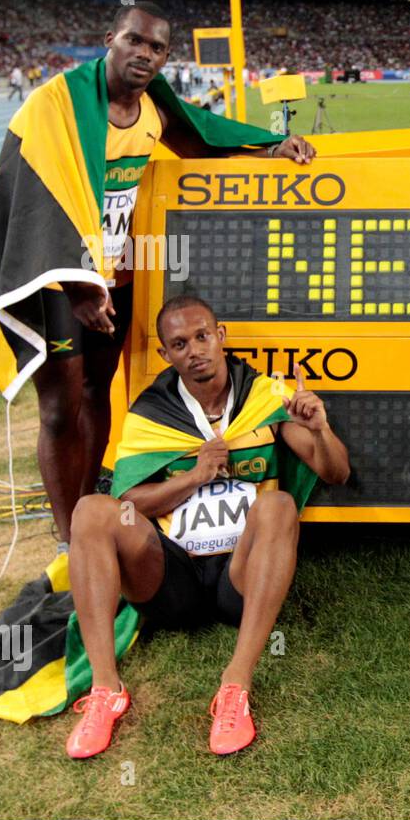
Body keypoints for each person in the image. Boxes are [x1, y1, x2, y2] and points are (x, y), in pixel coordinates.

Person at [0, 2, 316, 571]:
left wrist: (268, 146)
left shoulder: (153, 107)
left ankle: (90, 505)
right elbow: (32, 196)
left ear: (165, 57)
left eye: (156, 48)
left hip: (118, 278)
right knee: (59, 404)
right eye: (134, 41)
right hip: (59, 282)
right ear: (111, 39)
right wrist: (78, 282)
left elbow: (200, 139)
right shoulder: (59, 104)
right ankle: (68, 536)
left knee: (97, 391)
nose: (144, 55)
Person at [65, 296, 352, 758]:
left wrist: (320, 430)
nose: (195, 349)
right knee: (91, 512)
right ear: (166, 355)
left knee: (277, 504)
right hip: (170, 576)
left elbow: (336, 473)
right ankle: (105, 691)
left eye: (202, 336)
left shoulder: (265, 399)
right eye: (179, 344)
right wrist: (195, 477)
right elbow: (128, 503)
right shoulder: (151, 411)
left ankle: (235, 686)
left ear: (220, 337)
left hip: (241, 576)